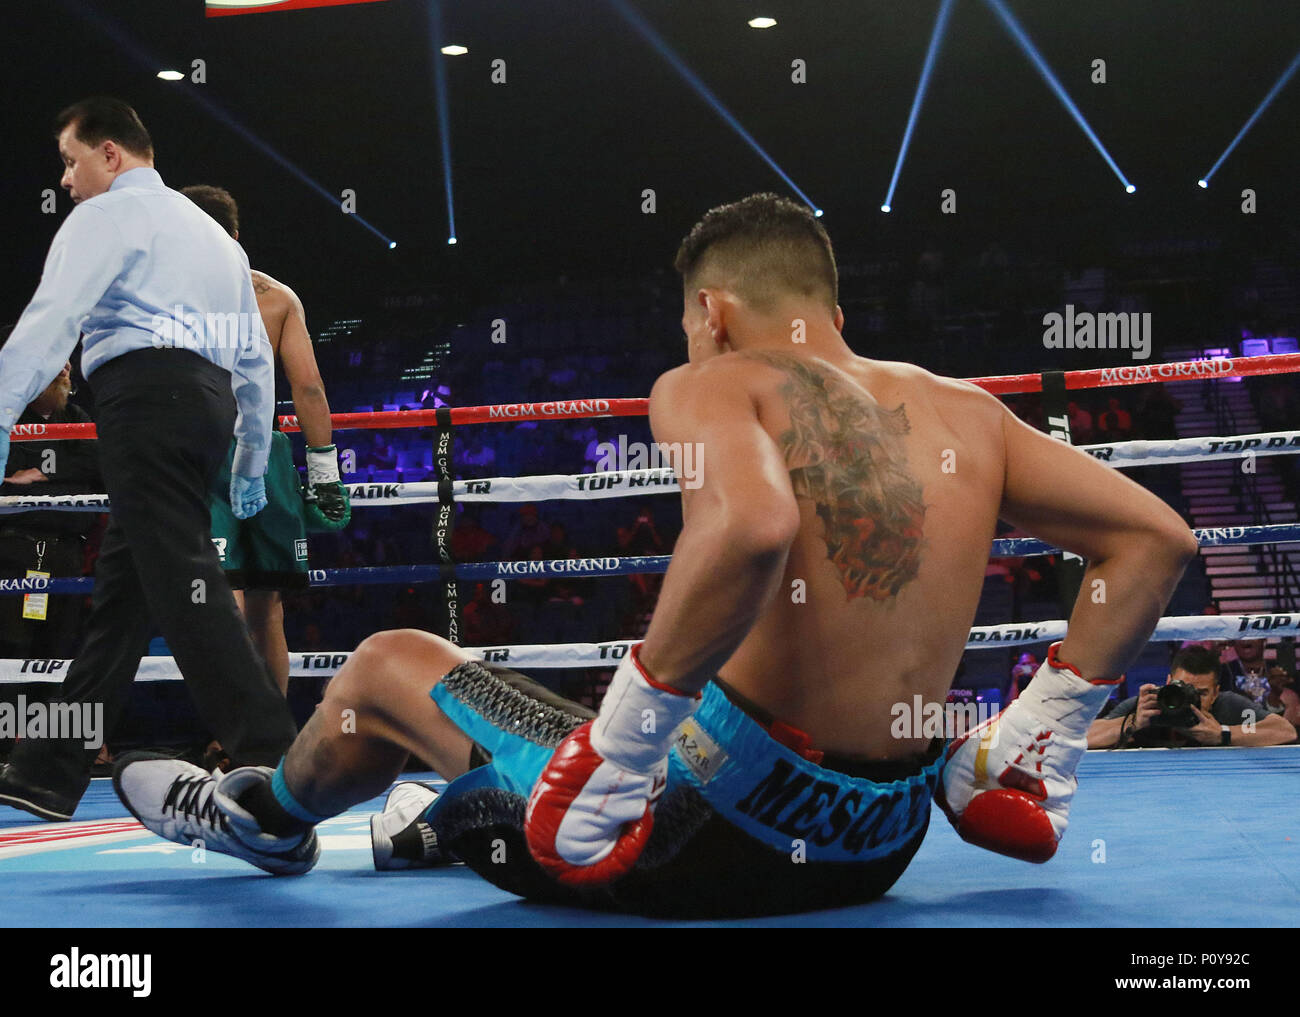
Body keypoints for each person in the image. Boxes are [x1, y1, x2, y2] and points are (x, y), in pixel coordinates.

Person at [114, 193, 1199, 915]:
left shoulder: (712, 380)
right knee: (519, 753)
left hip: (693, 845)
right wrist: (1025, 737)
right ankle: (431, 818)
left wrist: (623, 755)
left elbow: (753, 527)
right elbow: (1156, 537)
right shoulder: (968, 413)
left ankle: (264, 820)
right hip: (879, 850)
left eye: (689, 324)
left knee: (390, 661)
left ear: (712, 311)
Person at [0, 97, 299, 824]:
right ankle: (46, 768)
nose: (65, 181)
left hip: (144, 400)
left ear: (111, 154)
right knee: (124, 600)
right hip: (206, 408)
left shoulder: (104, 218)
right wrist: (252, 463)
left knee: (185, 579)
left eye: (71, 160)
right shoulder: (216, 239)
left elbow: (48, 325)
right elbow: (256, 362)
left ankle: (277, 760)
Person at [181, 185, 348, 707]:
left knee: (219, 601)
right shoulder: (276, 297)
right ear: (235, 235)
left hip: (202, 448)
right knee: (265, 607)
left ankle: (234, 735)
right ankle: (269, 736)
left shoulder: (167, 296)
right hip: (267, 451)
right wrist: (324, 472)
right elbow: (310, 388)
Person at [0, 340, 101, 662]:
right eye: (53, 360)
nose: (65, 368)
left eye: (66, 362)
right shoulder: (7, 419)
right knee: (12, 649)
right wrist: (69, 473)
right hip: (15, 550)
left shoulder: (77, 417)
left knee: (60, 652)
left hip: (69, 554)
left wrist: (45, 473)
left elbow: (104, 465)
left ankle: (50, 714)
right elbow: (8, 472)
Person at [1086, 645, 1295, 748]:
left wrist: (1224, 733)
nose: (1190, 697)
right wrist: (1133, 723)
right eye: (1182, 687)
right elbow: (1087, 737)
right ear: (1168, 683)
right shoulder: (1149, 707)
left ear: (1215, 693)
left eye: (1202, 693)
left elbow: (1284, 731)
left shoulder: (1230, 706)